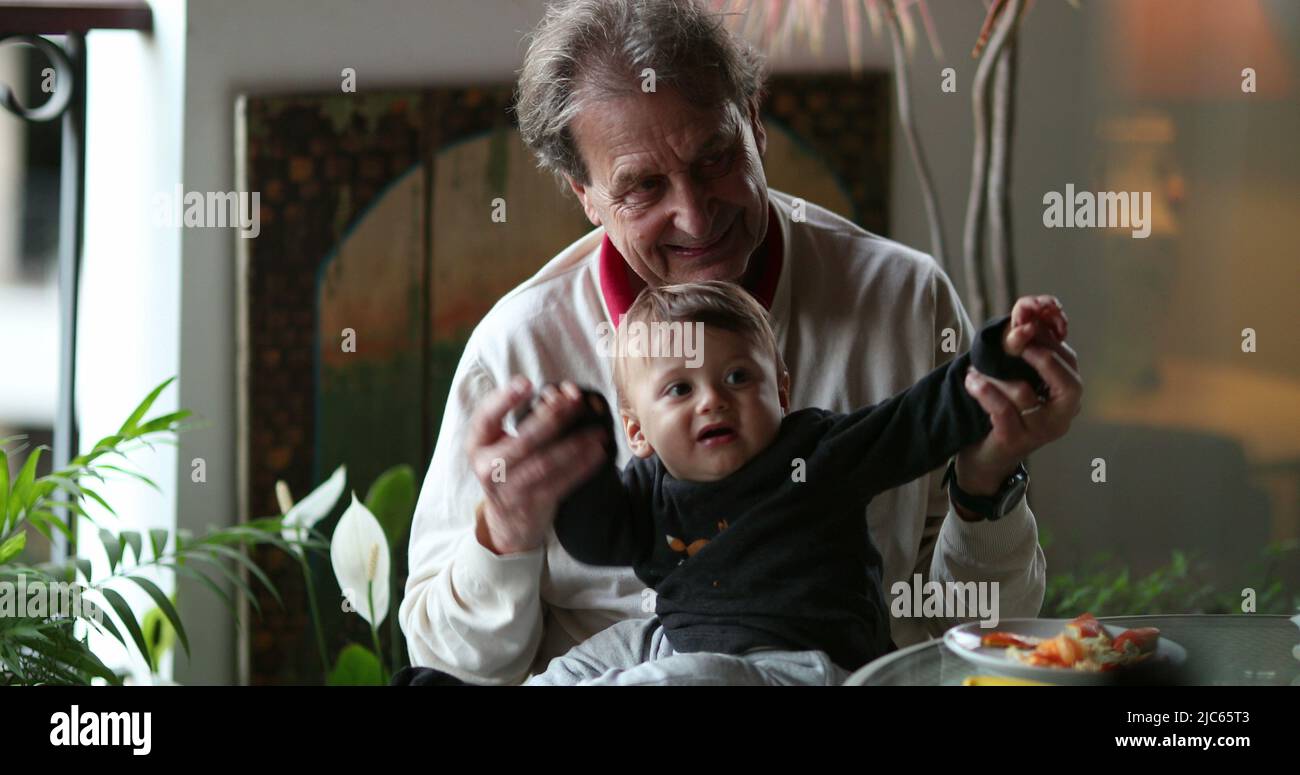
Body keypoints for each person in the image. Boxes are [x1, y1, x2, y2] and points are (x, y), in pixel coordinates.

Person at [398, 0, 1082, 685]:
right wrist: (505, 536)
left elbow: (977, 633)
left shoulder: (904, 301)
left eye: (716, 157)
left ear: (754, 120)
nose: (695, 215)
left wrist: (987, 479)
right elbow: (453, 663)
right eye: (642, 187)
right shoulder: (516, 351)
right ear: (586, 193)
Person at [518, 282, 1066, 685]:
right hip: (676, 638)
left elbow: (914, 421)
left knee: (690, 678)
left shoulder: (817, 454)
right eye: (680, 389)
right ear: (636, 430)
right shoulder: (645, 489)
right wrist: (581, 448)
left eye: (737, 376)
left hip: (806, 664)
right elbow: (594, 537)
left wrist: (999, 358)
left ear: (781, 392)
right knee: (573, 667)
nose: (713, 399)